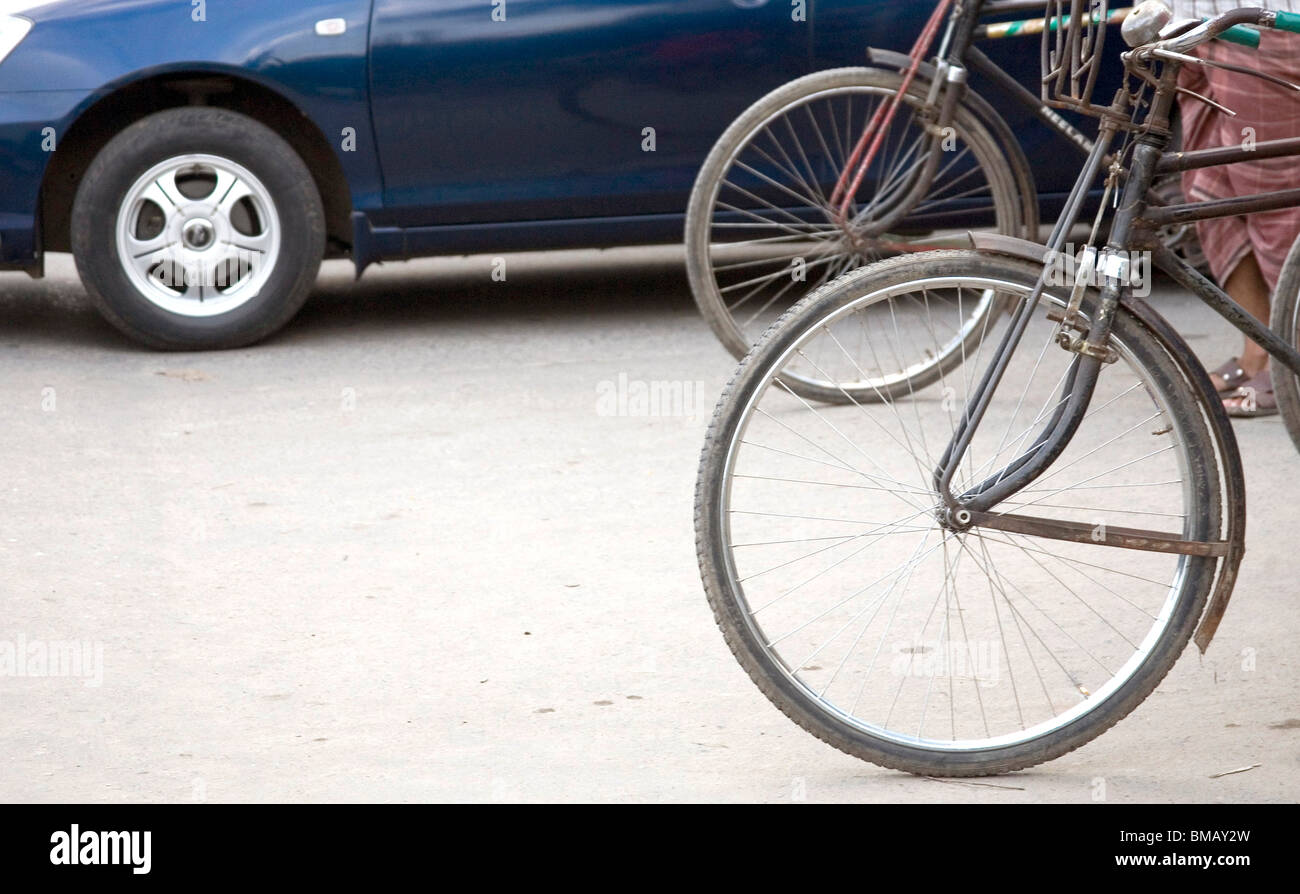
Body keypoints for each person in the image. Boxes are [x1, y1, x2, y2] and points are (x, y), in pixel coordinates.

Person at [1171, 0, 1300, 416]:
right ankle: (1257, 352)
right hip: (1188, 23)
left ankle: (1290, 366)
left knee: (1274, 205)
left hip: (1266, 21)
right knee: (1210, 194)